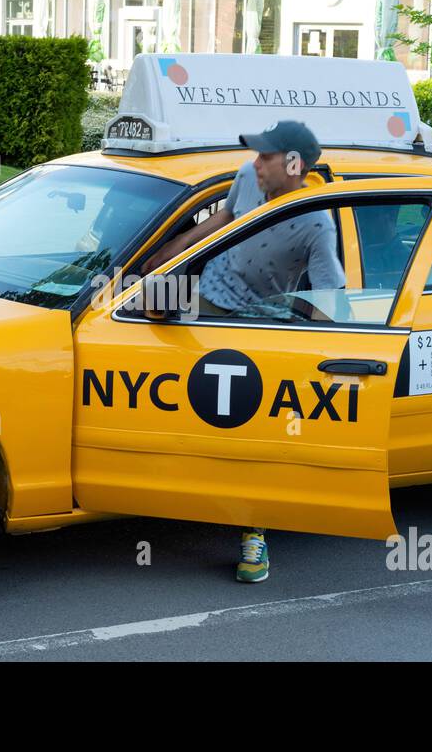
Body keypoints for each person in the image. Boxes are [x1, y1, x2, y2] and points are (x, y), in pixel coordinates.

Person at [143, 121, 347, 582]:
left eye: (266, 156)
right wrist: (166, 257)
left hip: (255, 330)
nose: (256, 163)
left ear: (293, 164)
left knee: (246, 434)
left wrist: (324, 362)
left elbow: (331, 297)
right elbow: (221, 222)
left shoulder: (315, 221)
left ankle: (253, 532)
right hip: (201, 306)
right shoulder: (245, 177)